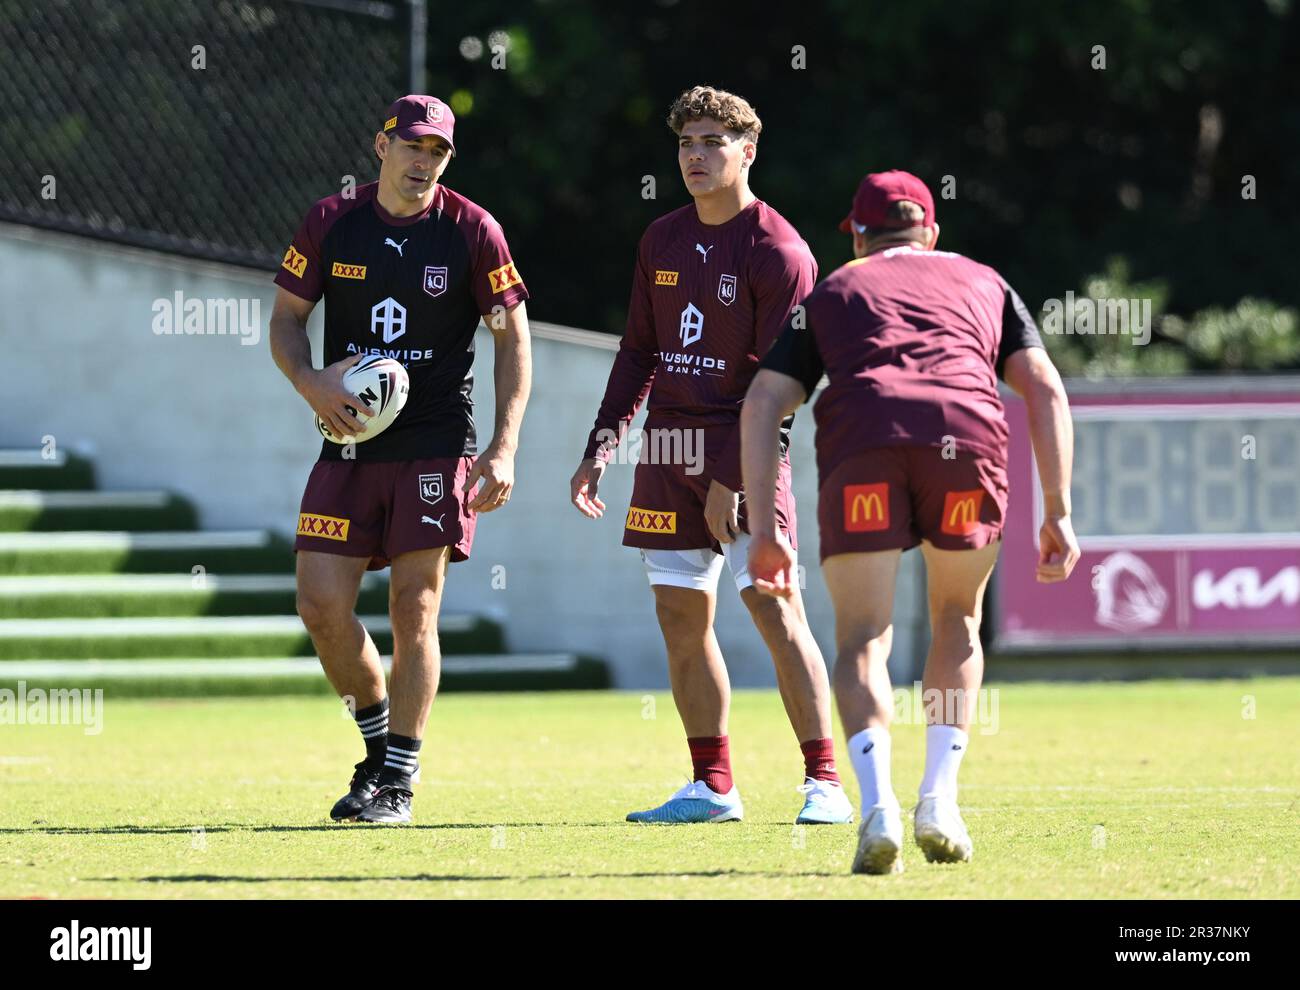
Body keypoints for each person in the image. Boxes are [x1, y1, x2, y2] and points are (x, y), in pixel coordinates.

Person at [741, 170, 1078, 871]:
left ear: (860, 236)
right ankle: (940, 799)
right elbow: (1043, 385)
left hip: (865, 436)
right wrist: (1060, 510)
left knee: (863, 634)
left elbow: (762, 400)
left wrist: (768, 530)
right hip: (966, 436)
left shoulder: (834, 289)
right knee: (956, 617)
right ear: (931, 229)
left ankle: (878, 808)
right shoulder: (985, 280)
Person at [570, 86, 851, 826]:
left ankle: (825, 782)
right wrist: (602, 445)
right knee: (678, 616)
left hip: (748, 449)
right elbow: (638, 353)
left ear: (746, 151)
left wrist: (732, 477)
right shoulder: (659, 239)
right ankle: (712, 785)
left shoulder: (781, 250)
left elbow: (783, 386)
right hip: (667, 447)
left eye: (712, 143)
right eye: (687, 144)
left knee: (773, 604)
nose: (696, 156)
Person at [269, 95, 531, 824]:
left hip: (436, 442)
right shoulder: (331, 220)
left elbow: (513, 338)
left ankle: (400, 781)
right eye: (413, 147)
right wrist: (311, 381)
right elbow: (287, 321)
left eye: (438, 153)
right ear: (381, 145)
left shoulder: (473, 230)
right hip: (348, 440)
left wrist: (504, 447)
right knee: (319, 606)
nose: (424, 163)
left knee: (414, 606)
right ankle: (378, 746)